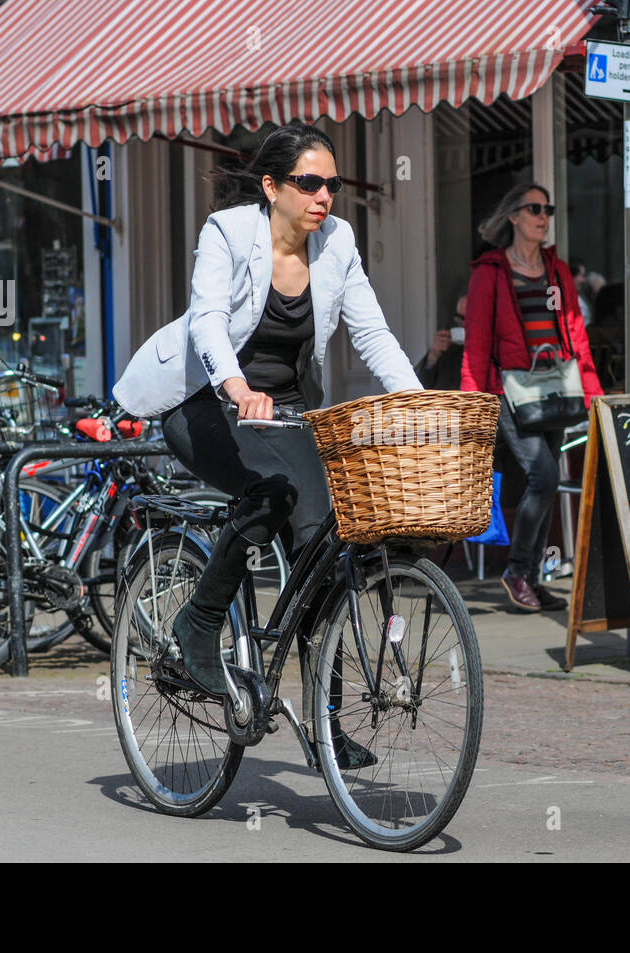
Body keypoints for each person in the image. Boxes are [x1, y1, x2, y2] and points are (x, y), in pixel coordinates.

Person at [113, 122, 421, 745]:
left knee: (324, 557)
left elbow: (373, 333)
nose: (324, 196)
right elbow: (207, 322)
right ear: (272, 186)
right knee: (269, 495)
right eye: (309, 183)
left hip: (285, 413)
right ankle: (198, 626)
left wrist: (418, 403)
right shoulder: (228, 232)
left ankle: (326, 726)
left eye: (331, 184)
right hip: (204, 400)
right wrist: (237, 389)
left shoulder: (337, 243)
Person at [462, 183, 603, 613]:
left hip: (555, 387)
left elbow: (574, 332)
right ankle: (518, 571)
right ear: (514, 218)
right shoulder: (489, 272)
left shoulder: (557, 272)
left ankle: (533, 577)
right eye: (535, 209)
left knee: (548, 479)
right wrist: (474, 400)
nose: (543, 217)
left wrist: (592, 388)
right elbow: (476, 342)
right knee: (543, 475)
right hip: (509, 390)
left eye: (548, 210)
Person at [416, 294, 466, 390]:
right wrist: (433, 356)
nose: (463, 323)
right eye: (459, 317)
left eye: (469, 318)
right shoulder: (447, 348)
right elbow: (419, 387)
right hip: (444, 403)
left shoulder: (491, 350)